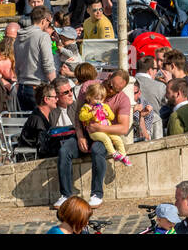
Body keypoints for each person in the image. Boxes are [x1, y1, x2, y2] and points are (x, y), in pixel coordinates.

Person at [55, 68, 131, 210]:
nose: (111, 91)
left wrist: (100, 128)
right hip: (85, 133)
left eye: (116, 90)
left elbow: (123, 128)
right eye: (110, 86)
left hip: (104, 137)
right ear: (108, 77)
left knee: (97, 150)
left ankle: (97, 194)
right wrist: (80, 136)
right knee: (64, 151)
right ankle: (65, 194)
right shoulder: (89, 87)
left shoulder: (123, 99)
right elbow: (79, 114)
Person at [78, 81, 131, 164]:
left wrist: (107, 114)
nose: (98, 101)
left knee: (118, 139)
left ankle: (123, 155)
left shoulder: (104, 106)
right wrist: (92, 113)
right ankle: (114, 153)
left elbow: (112, 117)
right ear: (89, 97)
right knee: (105, 139)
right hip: (94, 132)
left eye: (101, 99)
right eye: (96, 98)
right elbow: (81, 117)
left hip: (106, 129)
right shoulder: (86, 107)